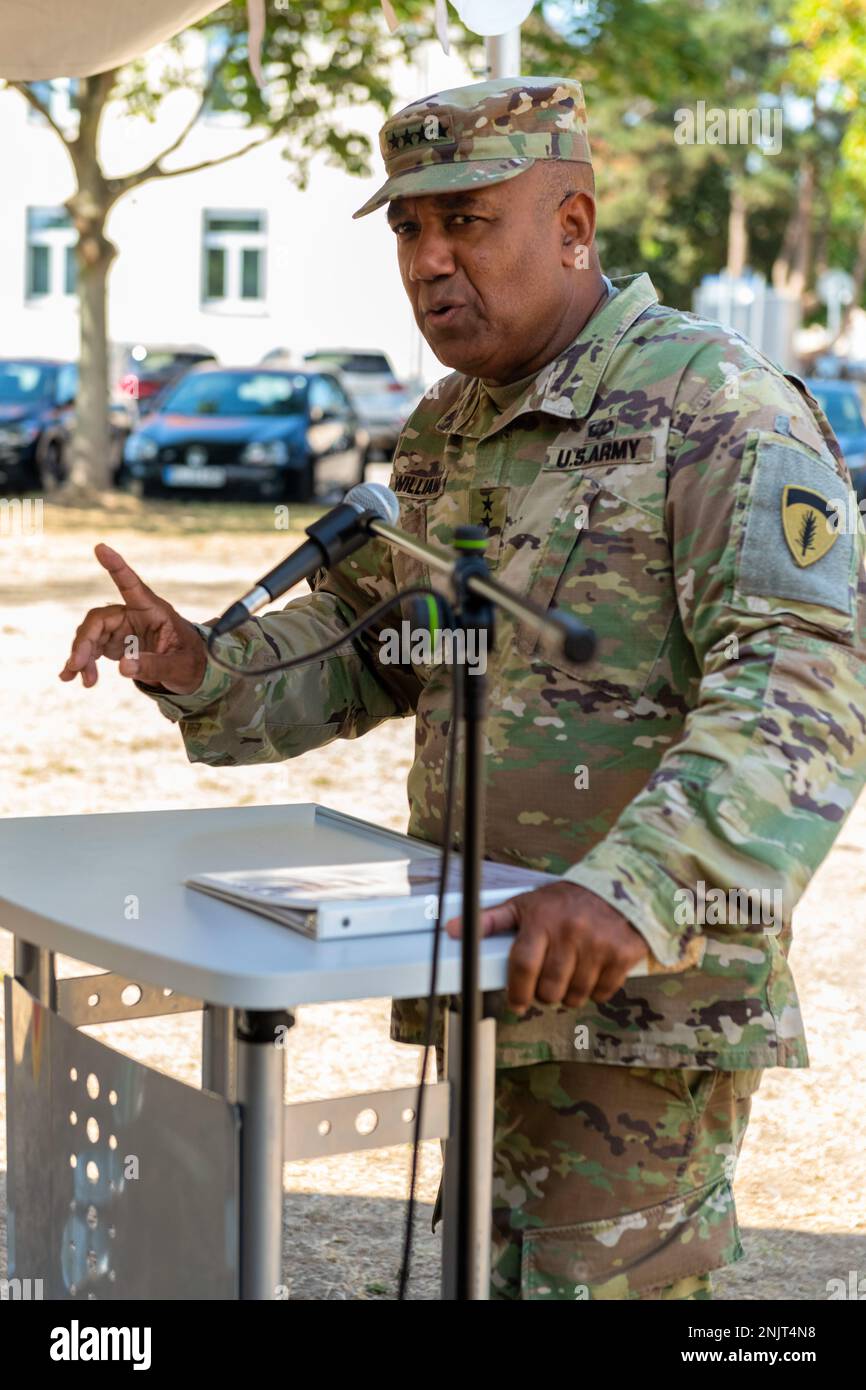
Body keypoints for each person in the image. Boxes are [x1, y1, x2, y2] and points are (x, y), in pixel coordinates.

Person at [61, 76, 866, 1301]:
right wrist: (202, 663)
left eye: (467, 221)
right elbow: (378, 638)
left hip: (633, 993)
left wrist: (626, 894)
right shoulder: (446, 429)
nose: (430, 260)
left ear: (573, 225)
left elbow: (799, 693)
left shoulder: (715, 407)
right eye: (407, 229)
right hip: (479, 967)